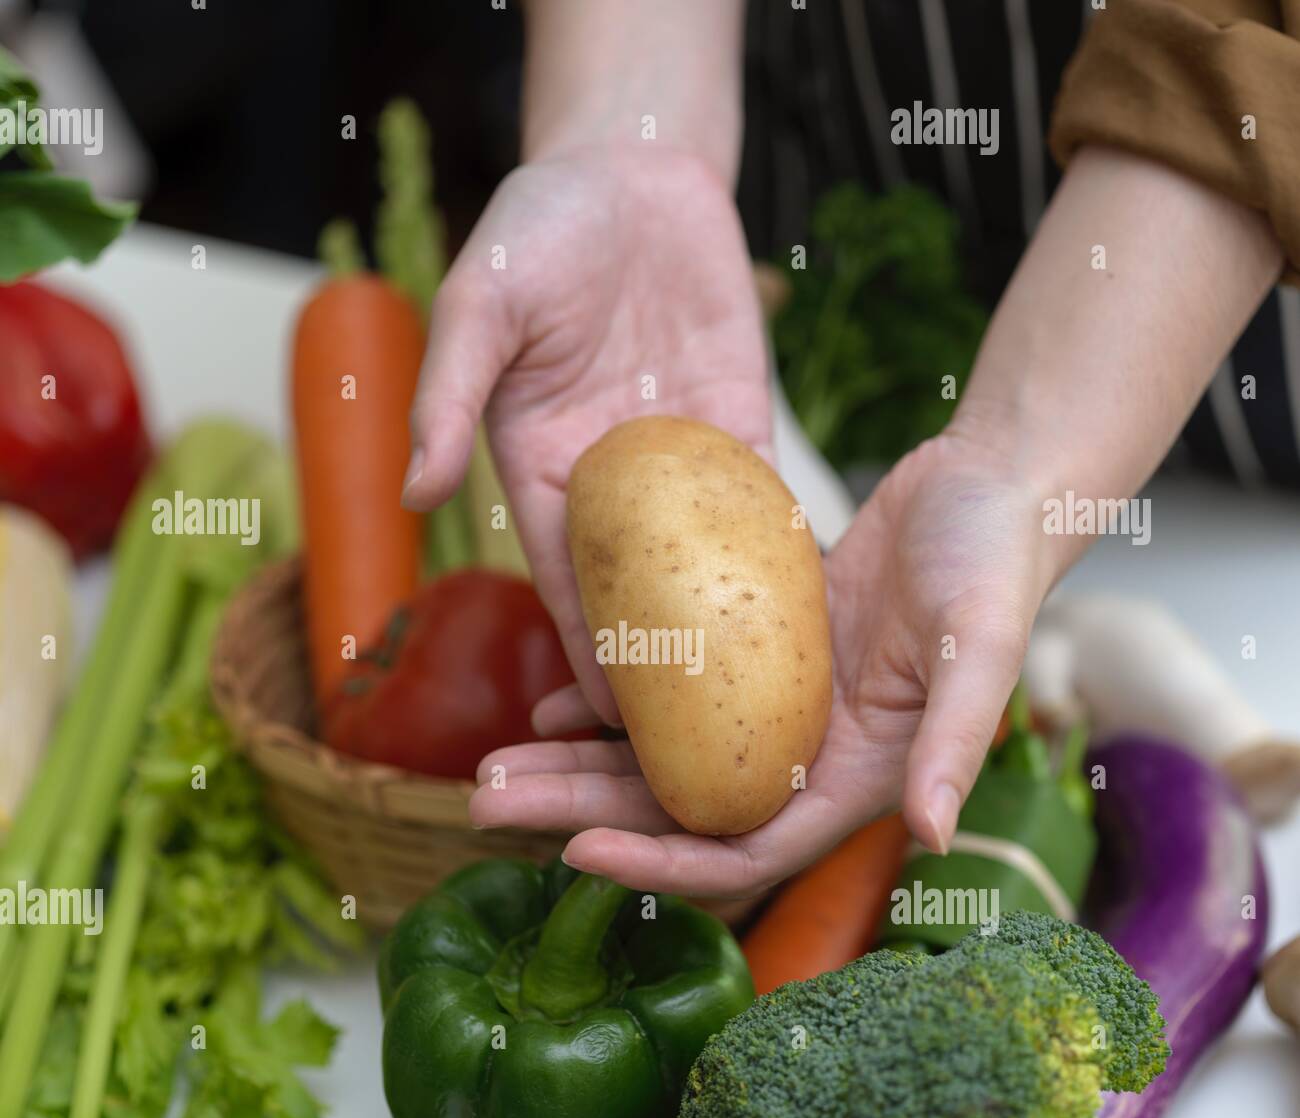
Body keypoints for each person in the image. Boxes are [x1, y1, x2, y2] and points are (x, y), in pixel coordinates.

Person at [401, 0, 1298, 896]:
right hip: (844, 154)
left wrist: (1017, 461)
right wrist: (626, 147)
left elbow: (1234, 65)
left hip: (1227, 275)